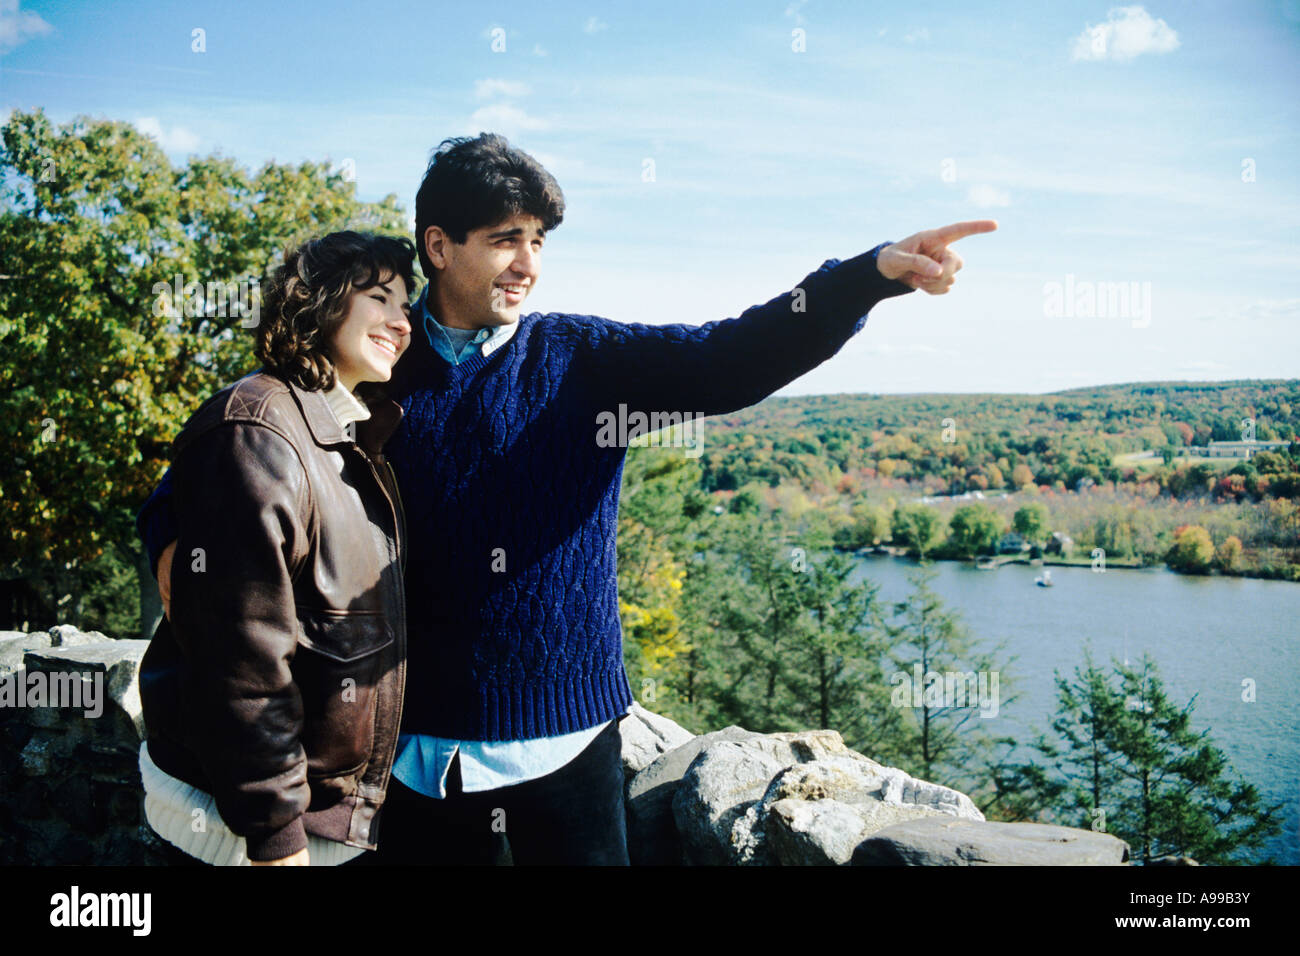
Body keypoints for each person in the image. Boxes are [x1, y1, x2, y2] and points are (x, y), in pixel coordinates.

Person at [139, 133, 996, 865]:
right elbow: (244, 451)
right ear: (439, 246)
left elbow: (733, 356)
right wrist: (170, 533)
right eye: (506, 238)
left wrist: (868, 278)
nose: (529, 263)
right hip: (403, 760)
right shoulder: (375, 360)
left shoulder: (580, 360)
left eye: (541, 240)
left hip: (566, 748)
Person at [136, 230, 416, 866]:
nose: (402, 321)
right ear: (321, 302)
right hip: (242, 831)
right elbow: (243, 661)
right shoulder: (259, 432)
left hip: (313, 818)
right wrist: (275, 834)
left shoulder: (343, 428)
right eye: (381, 298)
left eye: (406, 304)